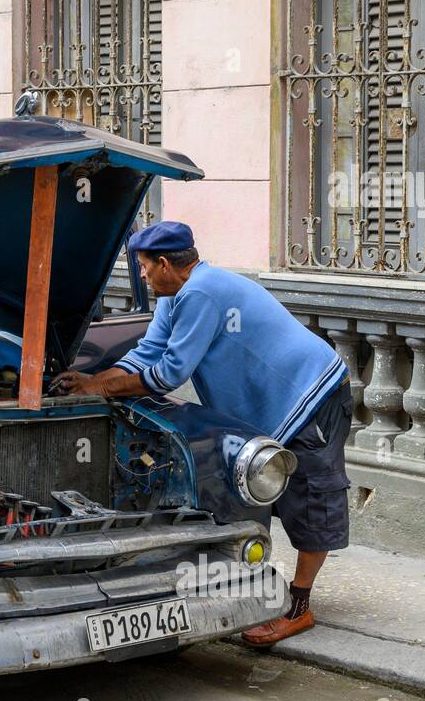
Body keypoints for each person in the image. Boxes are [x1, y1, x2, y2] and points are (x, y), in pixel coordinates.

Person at [54, 221, 353, 644]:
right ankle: (255, 590)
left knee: (310, 499)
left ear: (163, 263)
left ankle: (299, 606)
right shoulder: (174, 294)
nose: (140, 276)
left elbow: (169, 373)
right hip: (271, 406)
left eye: (142, 267)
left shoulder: (200, 291)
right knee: (258, 491)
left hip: (310, 393)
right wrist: (96, 379)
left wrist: (99, 385)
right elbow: (147, 353)